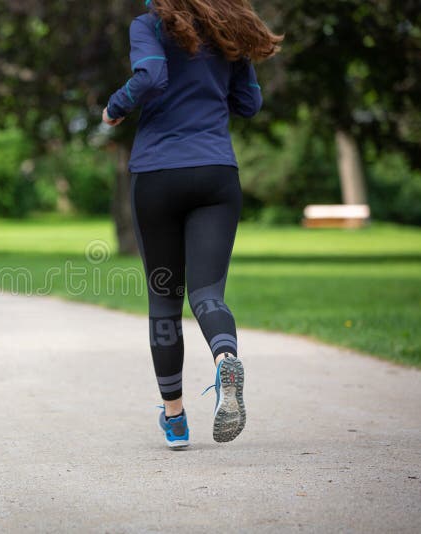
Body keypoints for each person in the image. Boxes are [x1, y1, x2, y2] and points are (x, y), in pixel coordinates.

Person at [103, 0, 283, 448]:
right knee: (207, 294)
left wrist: (115, 107)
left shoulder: (148, 26)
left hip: (158, 175)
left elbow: (150, 75)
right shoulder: (229, 28)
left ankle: (176, 419)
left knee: (165, 302)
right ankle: (225, 358)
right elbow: (249, 103)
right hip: (216, 175)